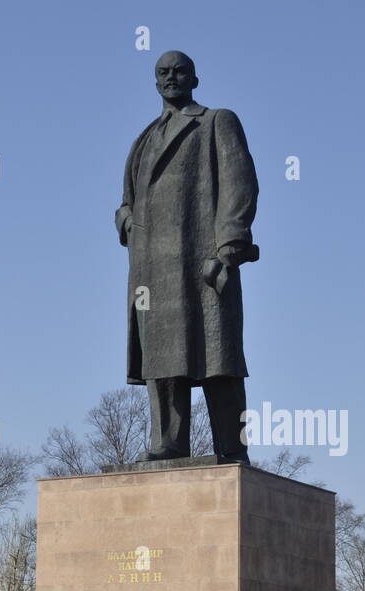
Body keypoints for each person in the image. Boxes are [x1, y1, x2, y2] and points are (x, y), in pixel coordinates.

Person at [116, 50, 260, 464]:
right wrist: (125, 220)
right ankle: (169, 442)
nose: (171, 78)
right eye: (162, 72)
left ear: (195, 79)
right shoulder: (144, 138)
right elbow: (126, 198)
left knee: (219, 360)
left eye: (180, 72)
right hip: (152, 268)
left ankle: (233, 449)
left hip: (202, 261)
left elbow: (240, 183)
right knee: (162, 358)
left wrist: (229, 247)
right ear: (154, 81)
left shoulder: (217, 121)